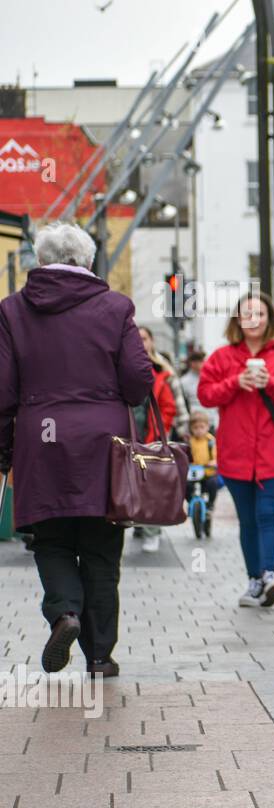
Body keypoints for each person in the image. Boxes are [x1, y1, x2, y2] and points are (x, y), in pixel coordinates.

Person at [0, 222, 154, 676]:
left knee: (51, 539)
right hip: (101, 443)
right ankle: (101, 656)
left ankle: (65, 612)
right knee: (103, 547)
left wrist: (6, 451)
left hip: (39, 437)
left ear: (41, 262)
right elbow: (138, 381)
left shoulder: (11, 311)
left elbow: (3, 391)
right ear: (88, 262)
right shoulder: (115, 307)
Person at [198, 291, 274, 608]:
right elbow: (206, 395)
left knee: (267, 514)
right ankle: (255, 579)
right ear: (237, 319)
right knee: (247, 520)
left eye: (259, 313)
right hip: (235, 455)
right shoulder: (221, 357)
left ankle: (269, 575)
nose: (253, 319)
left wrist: (270, 382)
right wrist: (237, 382)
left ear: (269, 319)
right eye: (247, 313)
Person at [135, 326, 180, 553]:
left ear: (152, 342)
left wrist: (165, 430)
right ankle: (137, 523)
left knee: (151, 485)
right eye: (136, 338)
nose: (140, 342)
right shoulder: (120, 366)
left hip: (152, 436)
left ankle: (151, 530)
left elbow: (173, 406)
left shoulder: (162, 371)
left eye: (144, 338)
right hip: (127, 436)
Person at [187, 410, 219, 536]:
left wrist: (214, 461)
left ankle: (210, 505)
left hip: (207, 472)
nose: (199, 430)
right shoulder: (190, 442)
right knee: (186, 486)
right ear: (191, 429)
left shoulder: (211, 441)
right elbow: (186, 455)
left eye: (202, 427)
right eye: (195, 428)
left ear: (207, 427)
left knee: (212, 483)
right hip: (194, 473)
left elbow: (216, 456)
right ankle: (190, 502)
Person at [179, 347, 219, 431]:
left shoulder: (213, 377)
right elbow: (182, 404)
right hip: (195, 424)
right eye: (197, 361)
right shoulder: (184, 381)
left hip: (212, 422)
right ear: (191, 363)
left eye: (202, 360)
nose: (201, 363)